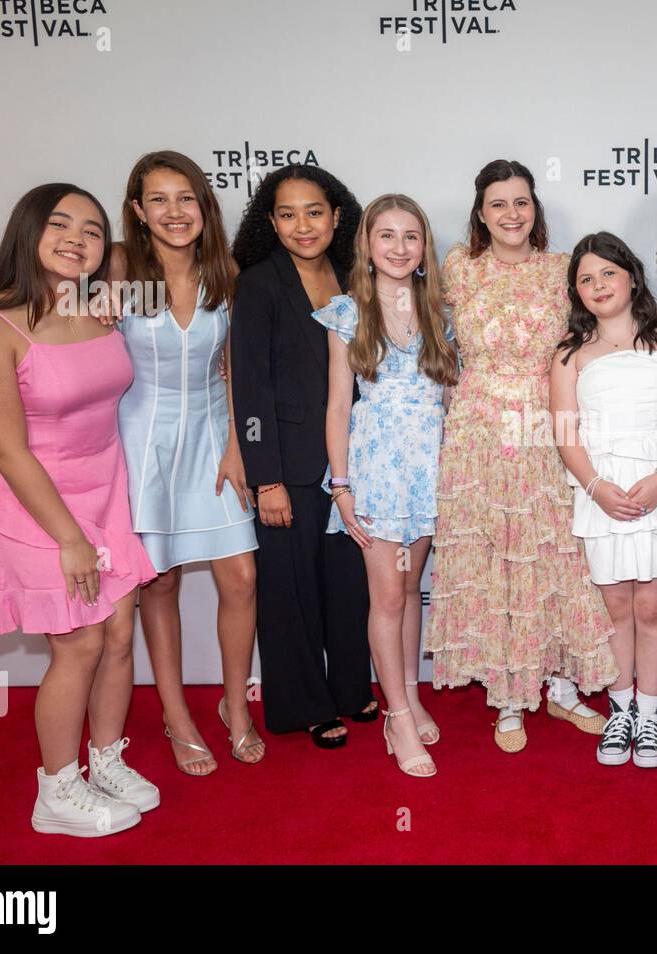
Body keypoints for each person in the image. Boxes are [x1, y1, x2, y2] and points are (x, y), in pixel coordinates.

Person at [0, 183, 157, 836]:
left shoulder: (99, 307)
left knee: (121, 636)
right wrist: (69, 537)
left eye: (92, 230)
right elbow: (8, 450)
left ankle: (105, 760)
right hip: (32, 502)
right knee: (81, 644)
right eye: (61, 224)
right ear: (28, 232)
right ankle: (57, 791)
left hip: (106, 489)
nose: (78, 238)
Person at [424, 159, 617, 753]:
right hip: (478, 434)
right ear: (481, 213)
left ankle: (559, 687)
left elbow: (602, 332)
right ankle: (507, 699)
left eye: (522, 202)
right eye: (499, 204)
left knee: (557, 559)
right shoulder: (458, 267)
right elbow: (415, 327)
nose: (512, 214)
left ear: (536, 209)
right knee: (494, 561)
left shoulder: (563, 272)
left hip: (548, 426)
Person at [113, 150, 262, 775]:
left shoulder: (224, 271)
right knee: (160, 582)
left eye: (187, 198)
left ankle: (236, 705)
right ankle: (176, 714)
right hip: (140, 437)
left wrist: (236, 444)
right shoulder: (121, 270)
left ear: (205, 206)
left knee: (242, 578)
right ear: (138, 212)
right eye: (160, 199)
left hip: (212, 432)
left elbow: (236, 366)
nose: (175, 212)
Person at [230, 164, 377, 746]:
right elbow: (252, 384)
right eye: (287, 214)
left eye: (314, 211)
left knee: (348, 583)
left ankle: (349, 686)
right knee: (288, 588)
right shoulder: (260, 283)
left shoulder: (356, 275)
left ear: (337, 216)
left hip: (354, 461)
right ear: (271, 222)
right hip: (286, 466)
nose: (302, 224)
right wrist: (266, 479)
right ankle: (305, 702)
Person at [314, 193, 457, 777]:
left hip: (430, 464)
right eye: (387, 236)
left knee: (411, 588)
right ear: (367, 247)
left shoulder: (441, 312)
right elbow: (336, 407)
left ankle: (412, 697)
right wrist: (341, 487)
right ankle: (396, 717)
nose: (399, 248)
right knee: (389, 597)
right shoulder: (346, 311)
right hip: (375, 468)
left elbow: (450, 396)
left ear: (424, 249)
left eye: (411, 237)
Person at [552, 231, 657, 768]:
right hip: (602, 491)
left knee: (652, 603)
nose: (598, 285)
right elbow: (565, 433)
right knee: (616, 607)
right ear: (576, 292)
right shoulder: (570, 353)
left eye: (608, 273)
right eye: (586, 279)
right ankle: (619, 710)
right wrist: (595, 488)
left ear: (631, 276)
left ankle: (649, 712)